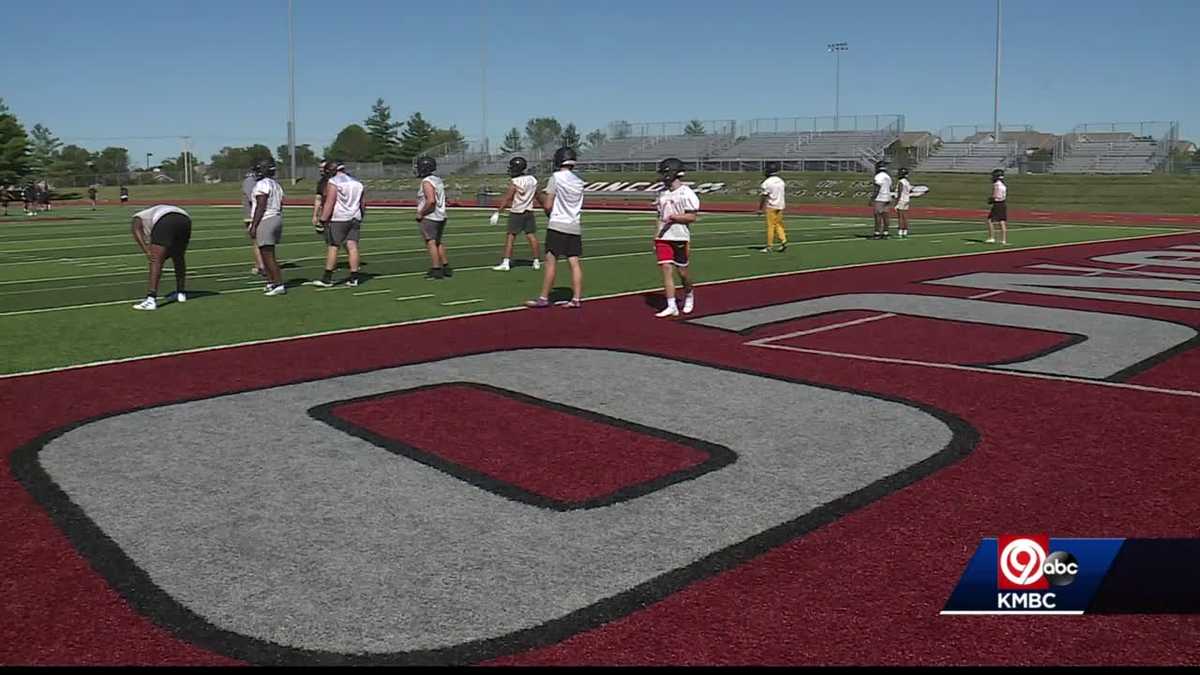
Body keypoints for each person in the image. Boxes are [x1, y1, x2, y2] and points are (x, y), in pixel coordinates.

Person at [525, 146, 585, 309]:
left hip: (558, 225)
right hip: (574, 225)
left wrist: (539, 197)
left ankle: (544, 297)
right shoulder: (579, 181)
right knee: (574, 262)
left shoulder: (556, 178)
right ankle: (576, 298)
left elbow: (548, 205)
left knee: (551, 262)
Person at [652, 157, 699, 318]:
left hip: (679, 236)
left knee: (682, 272)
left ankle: (689, 293)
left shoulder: (687, 193)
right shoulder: (662, 192)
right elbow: (659, 216)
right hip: (663, 237)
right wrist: (655, 236)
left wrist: (674, 217)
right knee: (666, 269)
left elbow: (692, 217)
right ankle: (671, 305)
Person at [130, 204, 192, 311]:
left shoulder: (138, 217)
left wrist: (147, 251)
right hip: (185, 219)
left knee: (155, 260)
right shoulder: (153, 214)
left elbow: (136, 230)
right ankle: (181, 293)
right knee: (178, 257)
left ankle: (151, 299)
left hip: (166, 219)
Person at [314, 160, 366, 287]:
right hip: (355, 216)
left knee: (333, 246)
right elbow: (362, 203)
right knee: (352, 246)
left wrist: (323, 219)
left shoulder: (334, 182)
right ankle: (354, 277)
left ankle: (327, 278)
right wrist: (361, 216)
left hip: (339, 218)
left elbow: (330, 202)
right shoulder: (357, 182)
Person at [490, 155, 542, 272]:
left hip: (517, 212)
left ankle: (506, 262)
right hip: (529, 211)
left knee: (510, 237)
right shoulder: (532, 179)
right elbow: (537, 195)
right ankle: (536, 261)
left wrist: (498, 212)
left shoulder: (515, 182)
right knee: (531, 236)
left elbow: (508, 198)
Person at [248, 160, 287, 296]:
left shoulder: (262, 184)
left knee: (268, 255)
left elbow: (261, 205)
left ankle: (278, 284)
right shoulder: (276, 185)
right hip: (275, 217)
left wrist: (254, 225)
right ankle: (271, 282)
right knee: (265, 253)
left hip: (266, 219)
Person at [414, 155, 451, 279]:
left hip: (431, 216)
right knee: (438, 242)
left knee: (431, 242)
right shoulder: (437, 180)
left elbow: (431, 201)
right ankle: (445, 266)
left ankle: (436, 268)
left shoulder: (426, 182)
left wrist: (421, 213)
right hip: (441, 215)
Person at [756, 161, 787, 253]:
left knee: (770, 226)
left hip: (771, 206)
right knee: (778, 224)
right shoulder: (781, 181)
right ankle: (783, 240)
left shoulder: (766, 183)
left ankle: (769, 246)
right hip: (780, 205)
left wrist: (760, 208)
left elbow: (764, 196)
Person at [242, 169, 265, 277]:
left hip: (256, 214)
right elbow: (252, 197)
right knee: (257, 242)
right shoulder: (251, 181)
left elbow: (254, 198)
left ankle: (261, 265)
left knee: (260, 242)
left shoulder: (256, 181)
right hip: (252, 215)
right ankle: (260, 265)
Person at [870, 160, 893, 239]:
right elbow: (890, 187)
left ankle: (877, 233)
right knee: (886, 216)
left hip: (880, 198)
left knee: (878, 216)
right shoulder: (888, 176)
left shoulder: (878, 176)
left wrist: (873, 198)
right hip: (887, 197)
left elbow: (877, 187)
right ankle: (886, 233)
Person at [986, 168, 1008, 245]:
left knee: (990, 220)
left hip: (997, 203)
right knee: (1002, 221)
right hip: (1003, 203)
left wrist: (991, 200)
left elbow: (995, 195)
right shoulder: (1003, 185)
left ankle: (992, 237)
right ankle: (1004, 240)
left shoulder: (996, 184)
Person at [895, 167, 913, 239]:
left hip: (901, 200)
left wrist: (896, 202)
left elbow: (899, 192)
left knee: (900, 217)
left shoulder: (901, 182)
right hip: (907, 199)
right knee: (905, 217)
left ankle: (900, 231)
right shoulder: (907, 182)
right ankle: (905, 231)